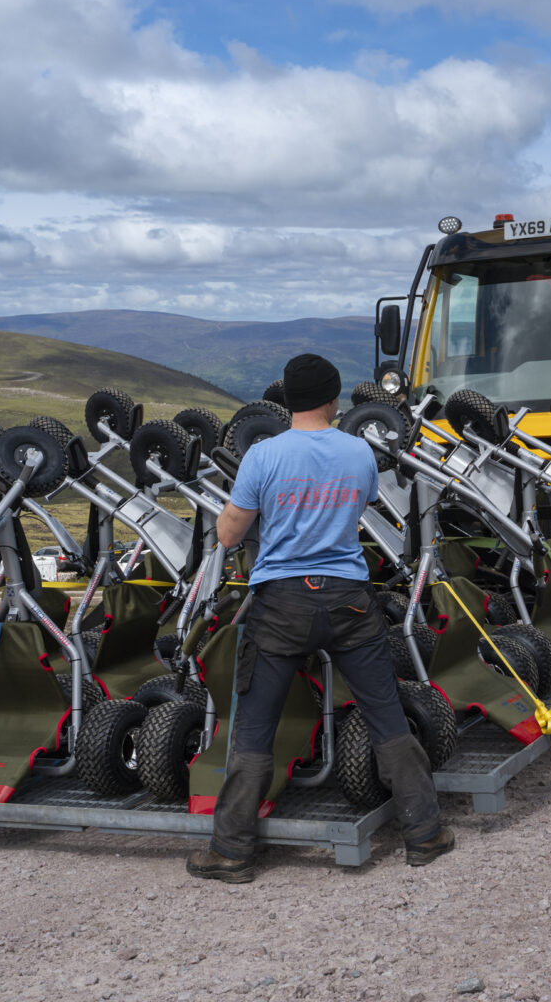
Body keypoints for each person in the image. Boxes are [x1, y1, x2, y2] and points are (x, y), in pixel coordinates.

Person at [186, 354, 454, 882]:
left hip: (281, 604)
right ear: (333, 399)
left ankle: (231, 851)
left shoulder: (263, 457)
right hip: (350, 601)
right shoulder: (357, 452)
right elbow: (359, 506)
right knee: (386, 718)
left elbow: (228, 535)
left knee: (255, 729)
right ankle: (424, 835)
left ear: (286, 399)